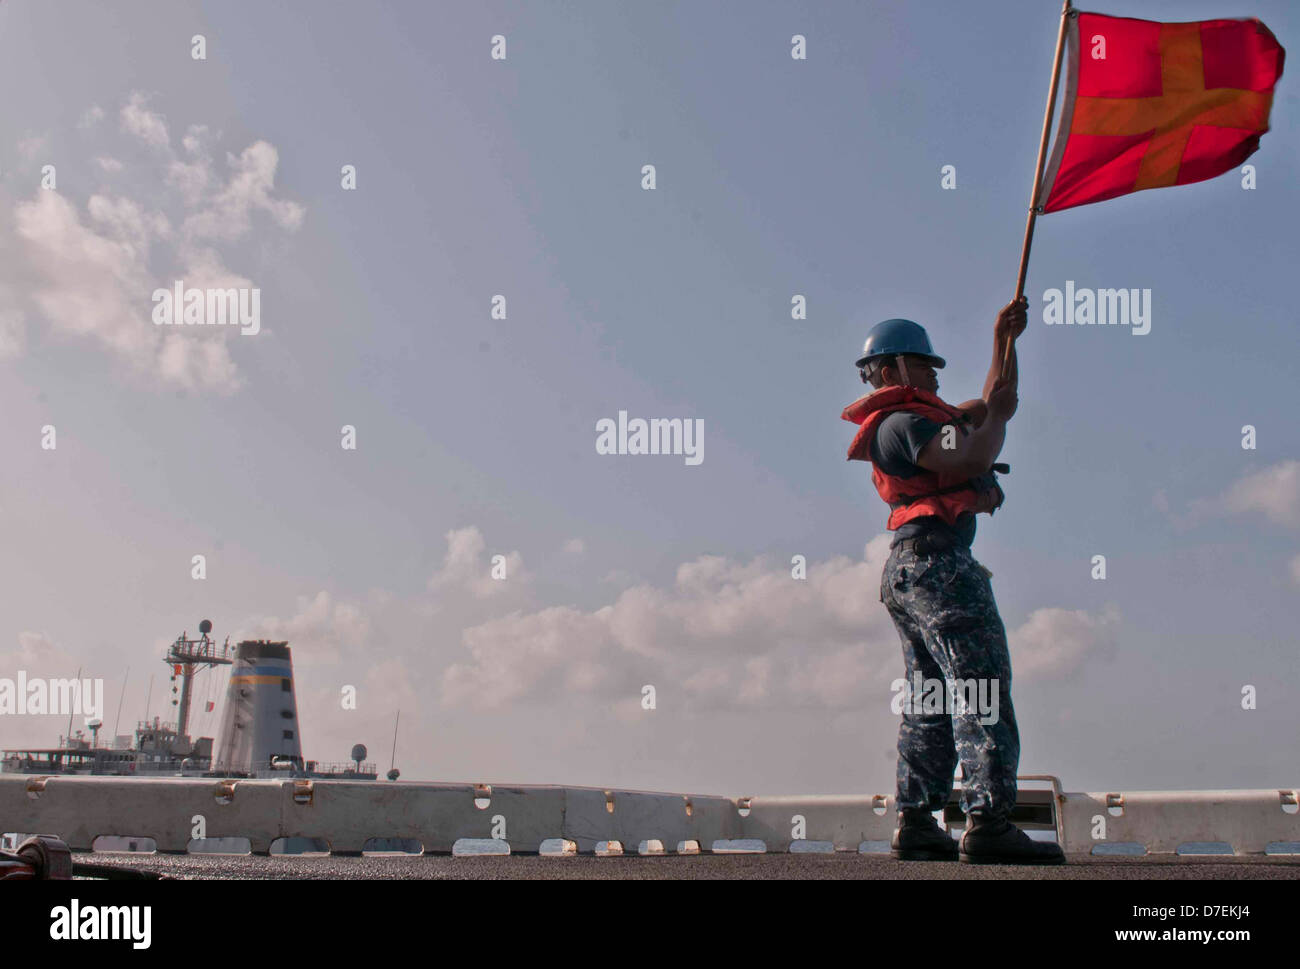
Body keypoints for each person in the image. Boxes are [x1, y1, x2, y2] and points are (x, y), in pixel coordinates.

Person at [841, 299, 1064, 865]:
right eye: (923, 363)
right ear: (890, 372)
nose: (935, 372)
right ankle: (989, 823)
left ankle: (917, 821)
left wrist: (1003, 342)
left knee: (930, 697)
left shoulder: (923, 416)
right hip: (937, 569)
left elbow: (992, 404)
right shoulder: (902, 425)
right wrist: (997, 425)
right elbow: (967, 455)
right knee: (981, 687)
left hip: (915, 568)